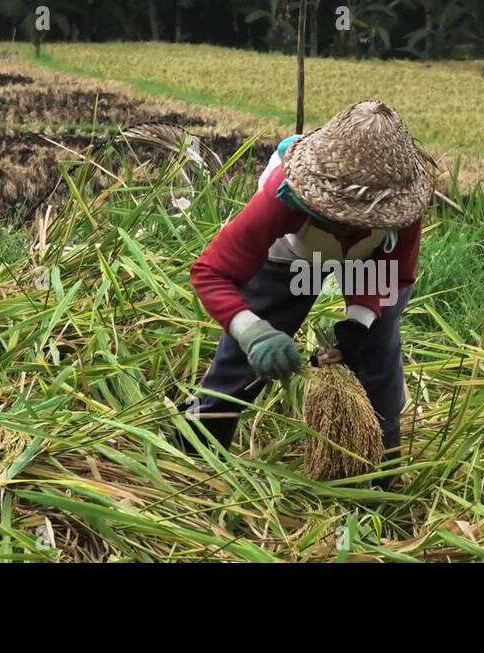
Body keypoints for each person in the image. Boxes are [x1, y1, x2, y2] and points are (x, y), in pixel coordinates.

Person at [185, 100, 434, 489]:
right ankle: (197, 443)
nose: (352, 223)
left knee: (379, 356)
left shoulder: (402, 207)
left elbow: (396, 276)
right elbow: (211, 272)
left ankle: (381, 471)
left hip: (371, 260)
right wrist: (253, 332)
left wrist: (359, 324)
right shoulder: (282, 198)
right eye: (344, 215)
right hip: (294, 253)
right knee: (241, 364)